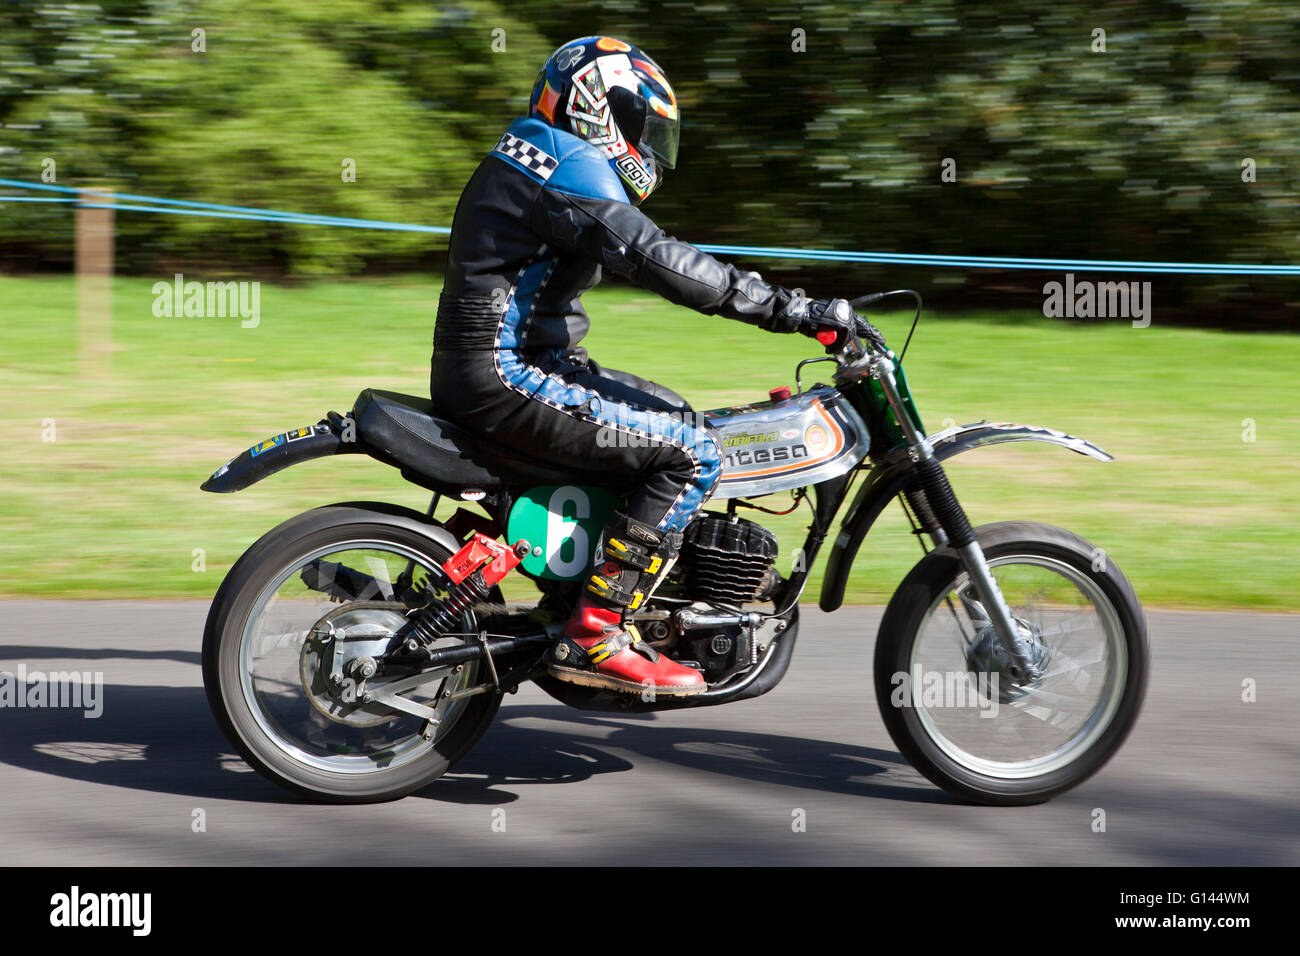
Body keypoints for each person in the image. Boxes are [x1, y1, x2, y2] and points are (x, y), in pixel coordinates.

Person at [430, 36, 880, 697]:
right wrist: (794, 309)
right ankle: (595, 630)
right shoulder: (563, 161)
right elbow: (662, 262)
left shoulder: (541, 152)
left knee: (678, 419)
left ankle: (586, 593)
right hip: (505, 374)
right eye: (643, 126)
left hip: (513, 364)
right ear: (598, 105)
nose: (648, 147)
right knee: (693, 453)